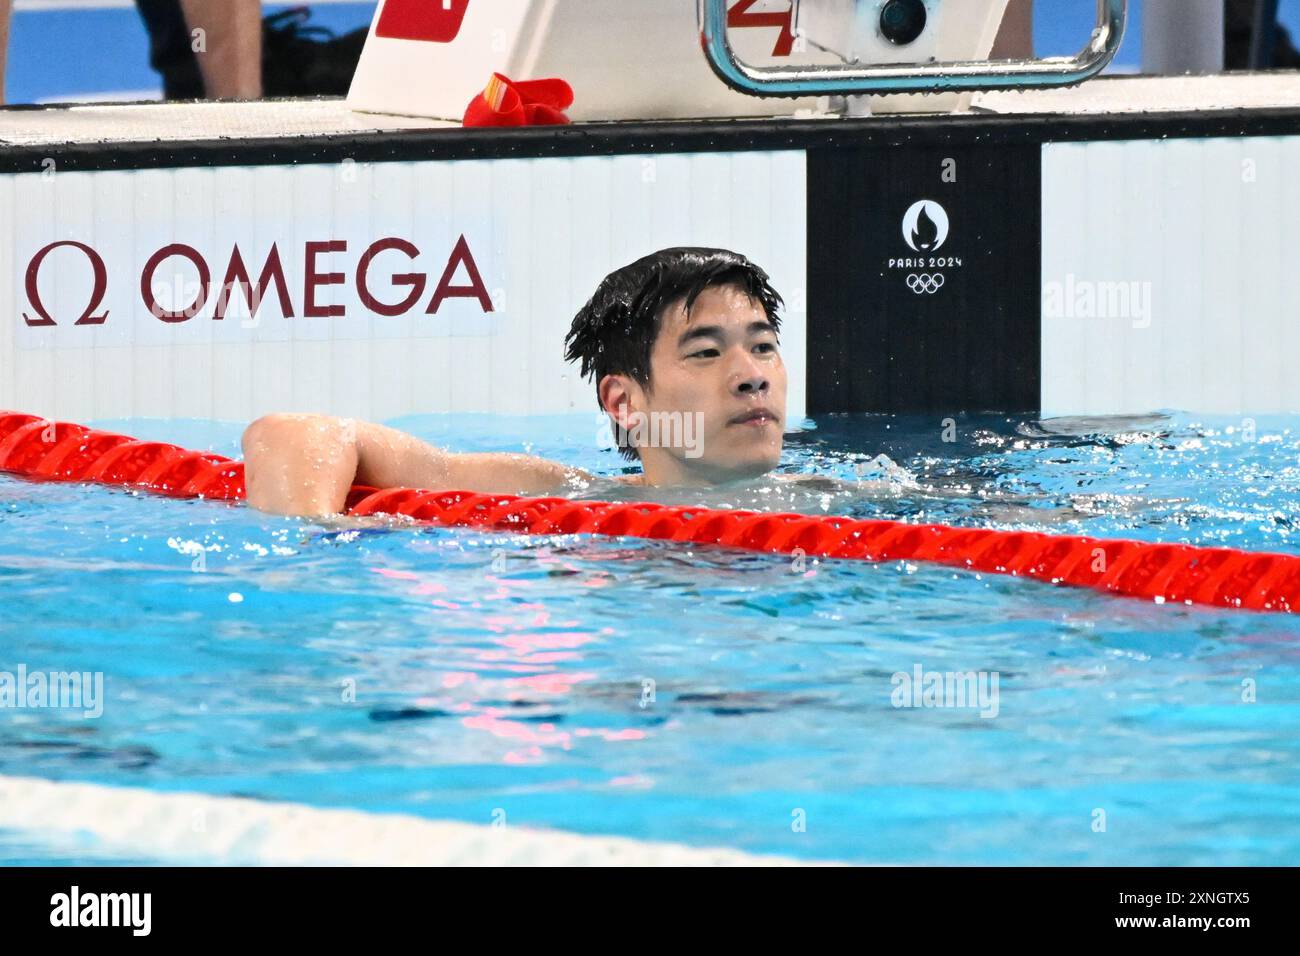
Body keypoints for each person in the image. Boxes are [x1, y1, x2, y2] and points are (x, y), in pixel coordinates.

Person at [243, 248, 790, 517]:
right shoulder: (562, 495)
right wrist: (321, 540)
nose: (752, 377)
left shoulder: (851, 505)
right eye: (706, 352)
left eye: (764, 347)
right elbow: (289, 432)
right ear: (622, 402)